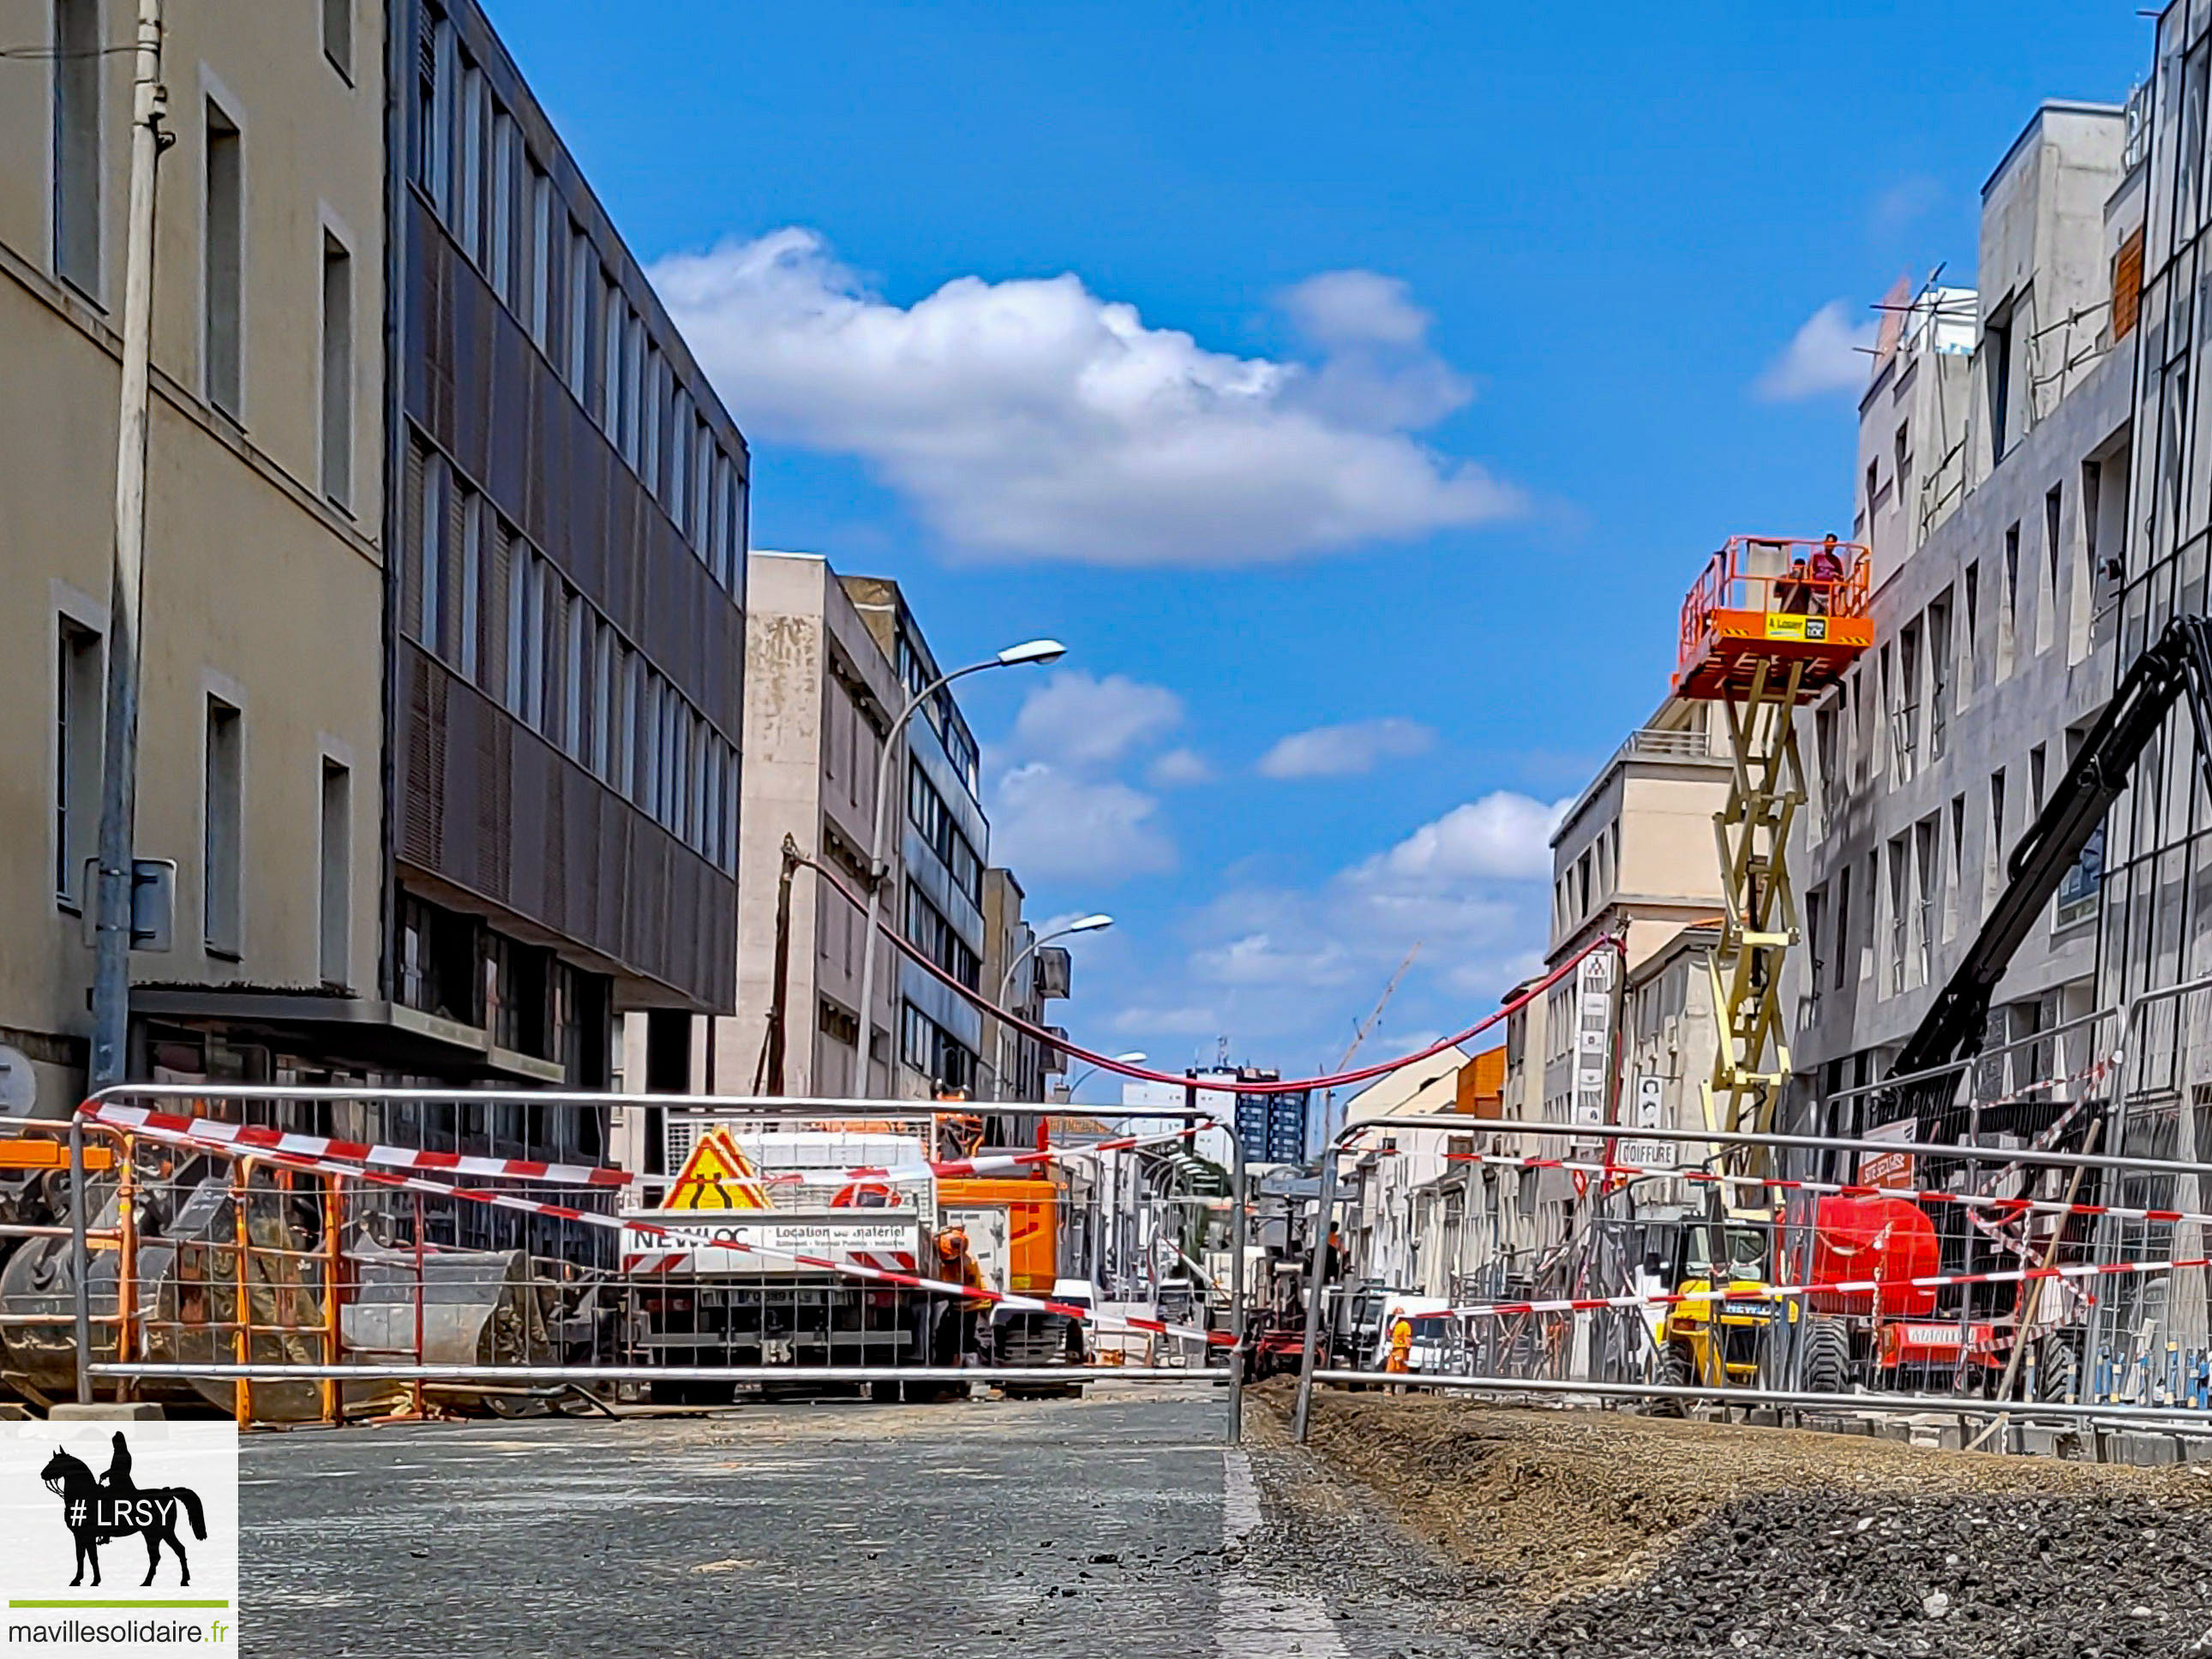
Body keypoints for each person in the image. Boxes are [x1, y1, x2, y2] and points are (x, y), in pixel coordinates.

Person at [1808, 535, 1849, 613]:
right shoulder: (1816, 557)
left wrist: (1836, 576)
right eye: (1828, 542)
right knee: (1811, 617)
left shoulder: (1836, 560)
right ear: (1824, 542)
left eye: (1832, 543)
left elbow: (1841, 577)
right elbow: (1809, 571)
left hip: (1828, 594)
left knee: (1828, 618)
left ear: (1835, 545)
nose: (1829, 545)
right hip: (1815, 593)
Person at [1384, 1314, 1415, 1392]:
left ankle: (1398, 1391)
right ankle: (1389, 1390)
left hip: (1400, 1349)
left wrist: (1407, 1347)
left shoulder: (1403, 1325)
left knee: (1400, 1370)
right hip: (1395, 1349)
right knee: (1392, 1370)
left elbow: (1407, 1338)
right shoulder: (1395, 1324)